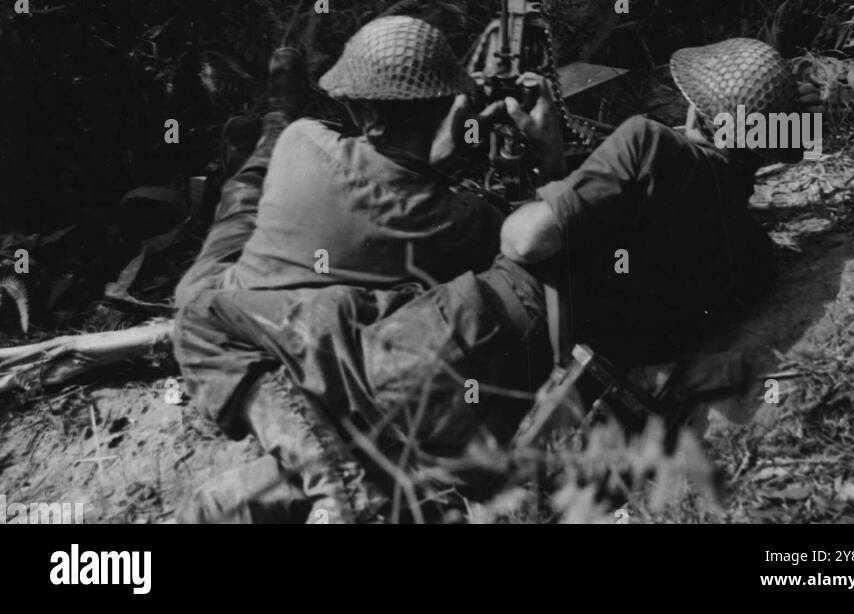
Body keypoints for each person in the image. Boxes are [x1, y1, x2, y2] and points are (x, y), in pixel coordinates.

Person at [175, 35, 809, 522]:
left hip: (461, 333)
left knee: (208, 318)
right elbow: (616, 269)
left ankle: (343, 499)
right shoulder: (751, 257)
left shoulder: (650, 145)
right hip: (521, 403)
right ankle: (333, 490)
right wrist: (555, 164)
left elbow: (526, 238)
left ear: (697, 113)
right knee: (245, 494)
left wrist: (534, 164)